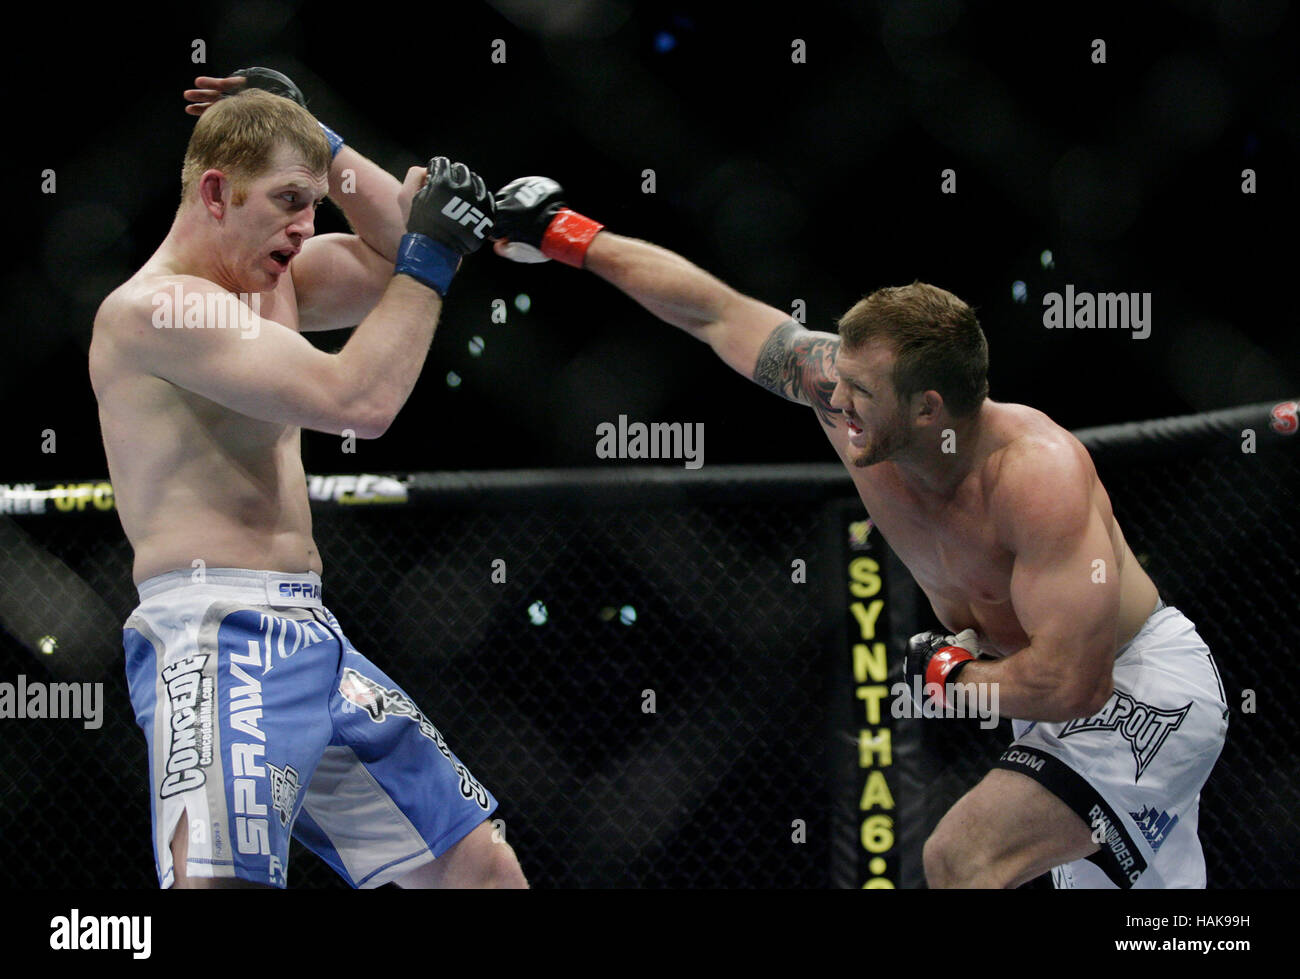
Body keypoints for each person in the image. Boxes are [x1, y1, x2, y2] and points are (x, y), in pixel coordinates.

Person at [485, 176, 1228, 889]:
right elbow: (712, 310)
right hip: (1045, 702)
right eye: (838, 375)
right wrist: (569, 236)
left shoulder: (1037, 476)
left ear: (930, 409)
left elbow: (1074, 682)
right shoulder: (842, 394)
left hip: (1138, 691)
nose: (834, 398)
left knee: (963, 857)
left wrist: (952, 683)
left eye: (860, 391)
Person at [90, 69, 525, 889]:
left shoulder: (274, 281)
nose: (306, 224)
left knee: (477, 868)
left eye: (315, 202)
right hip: (215, 628)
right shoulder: (159, 310)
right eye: (290, 200)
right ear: (217, 193)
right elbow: (357, 398)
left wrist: (317, 135)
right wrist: (430, 256)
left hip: (310, 630)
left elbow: (404, 247)